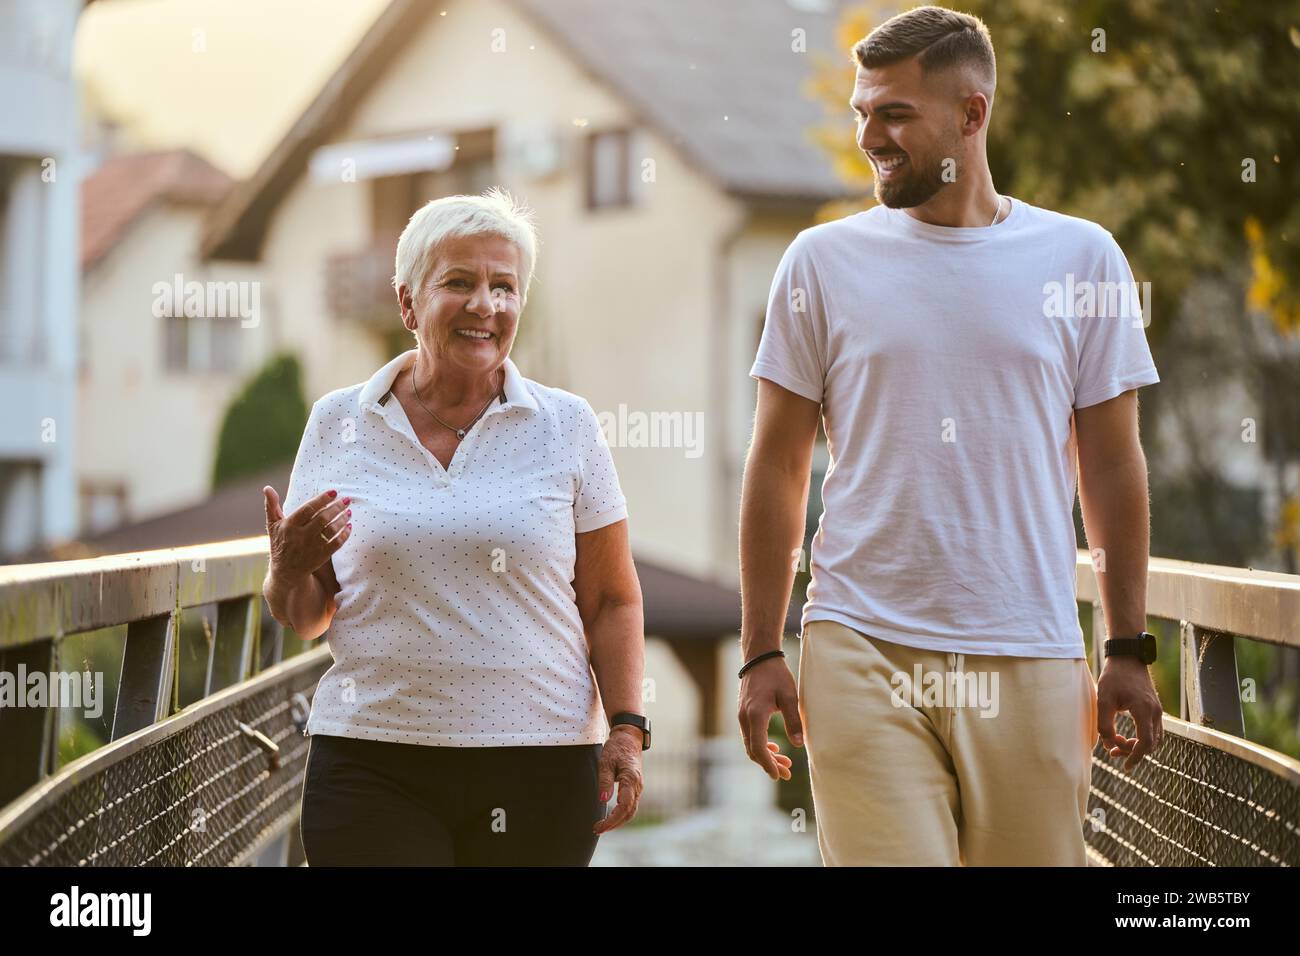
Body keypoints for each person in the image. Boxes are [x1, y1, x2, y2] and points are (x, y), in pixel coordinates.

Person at [738, 5, 1162, 866]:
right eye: (862, 112)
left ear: (971, 116)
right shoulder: (819, 265)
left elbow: (1112, 465)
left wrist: (1125, 646)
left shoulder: (1084, 261)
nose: (870, 137)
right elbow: (779, 466)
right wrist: (759, 650)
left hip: (1032, 648)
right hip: (861, 644)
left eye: (894, 114)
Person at [263, 188, 649, 866]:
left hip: (540, 765)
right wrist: (288, 568)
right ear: (408, 302)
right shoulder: (338, 421)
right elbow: (307, 616)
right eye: (460, 283)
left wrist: (626, 730)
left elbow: (612, 598)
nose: (485, 305)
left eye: (504, 287)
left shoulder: (567, 426)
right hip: (373, 761)